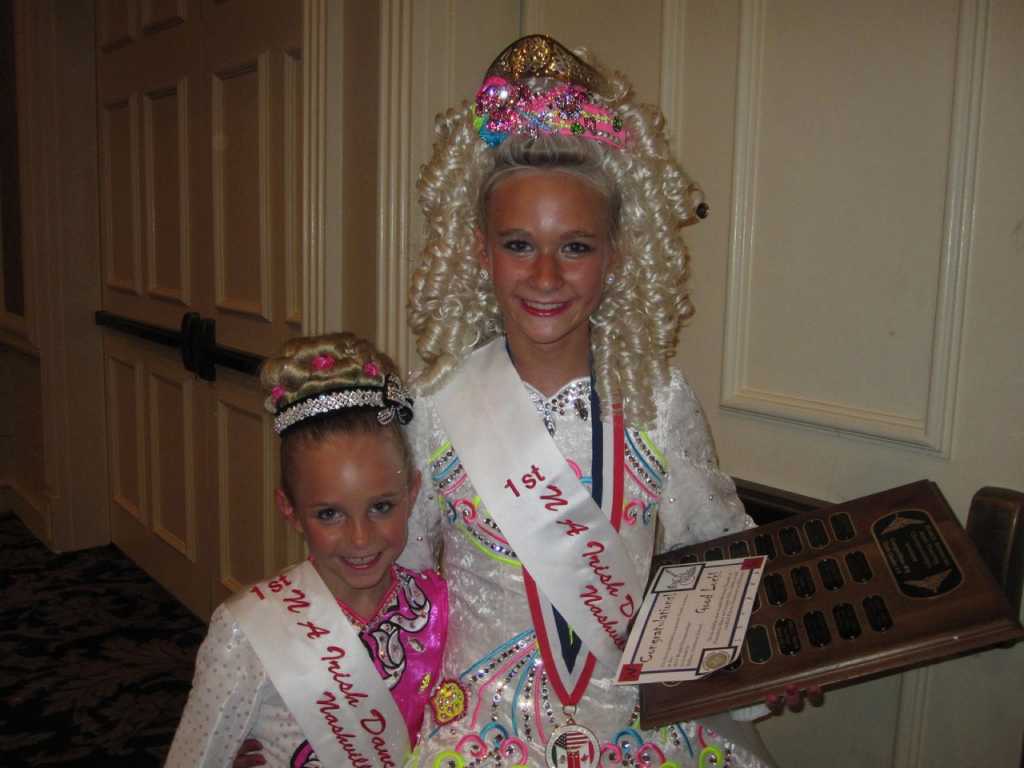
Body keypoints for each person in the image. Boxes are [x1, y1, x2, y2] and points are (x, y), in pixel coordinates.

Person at [399, 35, 776, 767]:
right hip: (477, 728)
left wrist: (768, 663)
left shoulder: (659, 399)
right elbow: (402, 582)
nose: (546, 276)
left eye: (575, 247)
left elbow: (717, 557)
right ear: (479, 250)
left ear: (616, 254)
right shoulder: (435, 404)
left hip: (640, 721)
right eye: (518, 244)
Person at [166, 333, 447, 768]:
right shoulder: (249, 632)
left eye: (381, 507)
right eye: (329, 514)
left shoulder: (441, 609)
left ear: (411, 494)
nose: (360, 538)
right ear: (290, 510)